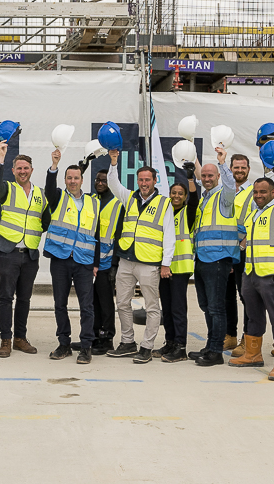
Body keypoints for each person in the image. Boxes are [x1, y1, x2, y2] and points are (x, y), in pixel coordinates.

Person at [228, 169, 274, 381]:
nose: (259, 195)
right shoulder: (253, 214)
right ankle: (252, 354)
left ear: (273, 193)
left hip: (273, 275)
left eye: (263, 192)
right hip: (251, 274)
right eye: (256, 192)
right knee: (254, 316)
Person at [103, 150, 177, 364]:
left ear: (155, 181)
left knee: (152, 307)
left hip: (150, 264)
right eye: (141, 180)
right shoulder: (129, 197)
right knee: (123, 303)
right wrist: (114, 162)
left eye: (148, 180)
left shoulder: (164, 204)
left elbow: (169, 235)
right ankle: (127, 342)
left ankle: (146, 347)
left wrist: (166, 264)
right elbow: (112, 183)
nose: (144, 183)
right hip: (126, 260)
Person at [0, 139, 49, 358]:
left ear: (32, 170)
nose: (23, 171)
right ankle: (5, 340)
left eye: (26, 168)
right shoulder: (6, 189)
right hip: (8, 252)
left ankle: (20, 338)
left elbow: (45, 221)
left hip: (31, 254)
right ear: (13, 171)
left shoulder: (40, 194)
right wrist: (1, 158)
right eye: (19, 168)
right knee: (6, 297)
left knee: (25, 298)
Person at [43, 149, 102, 364]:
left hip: (84, 262)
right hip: (60, 259)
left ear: (82, 180)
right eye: (69, 178)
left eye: (76, 178)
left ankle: (86, 346)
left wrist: (96, 263)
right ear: (65, 180)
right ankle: (64, 344)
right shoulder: (58, 196)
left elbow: (97, 235)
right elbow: (49, 189)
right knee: (60, 303)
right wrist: (54, 166)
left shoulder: (93, 203)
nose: (72, 181)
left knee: (87, 306)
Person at [192, 149, 240, 367]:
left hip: (218, 260)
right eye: (204, 176)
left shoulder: (224, 197)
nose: (207, 178)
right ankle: (210, 345)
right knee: (206, 305)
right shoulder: (205, 199)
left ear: (218, 176)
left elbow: (232, 187)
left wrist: (223, 163)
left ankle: (216, 351)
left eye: (211, 175)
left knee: (216, 307)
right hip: (202, 259)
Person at [157, 171, 201, 363]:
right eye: (173, 193)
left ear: (184, 196)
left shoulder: (188, 213)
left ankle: (181, 346)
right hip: (164, 268)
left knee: (178, 308)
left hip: (180, 268)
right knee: (166, 308)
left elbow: (194, 200)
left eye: (180, 194)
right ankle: (170, 342)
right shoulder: (164, 213)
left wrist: (190, 179)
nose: (176, 196)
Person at [222, 154, 256, 354]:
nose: (239, 171)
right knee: (227, 296)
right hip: (225, 251)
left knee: (246, 296)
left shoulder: (254, 192)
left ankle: (247, 338)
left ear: (248, 170)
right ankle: (230, 335)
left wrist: (241, 247)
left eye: (243, 168)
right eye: (236, 167)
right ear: (231, 169)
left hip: (244, 253)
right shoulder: (224, 191)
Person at [88, 167, 121, 354]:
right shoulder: (90, 200)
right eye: (97, 180)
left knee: (106, 303)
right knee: (91, 302)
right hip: (88, 261)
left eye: (104, 180)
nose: (99, 183)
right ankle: (93, 336)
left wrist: (114, 265)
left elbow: (118, 236)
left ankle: (107, 338)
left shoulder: (117, 203)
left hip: (106, 263)